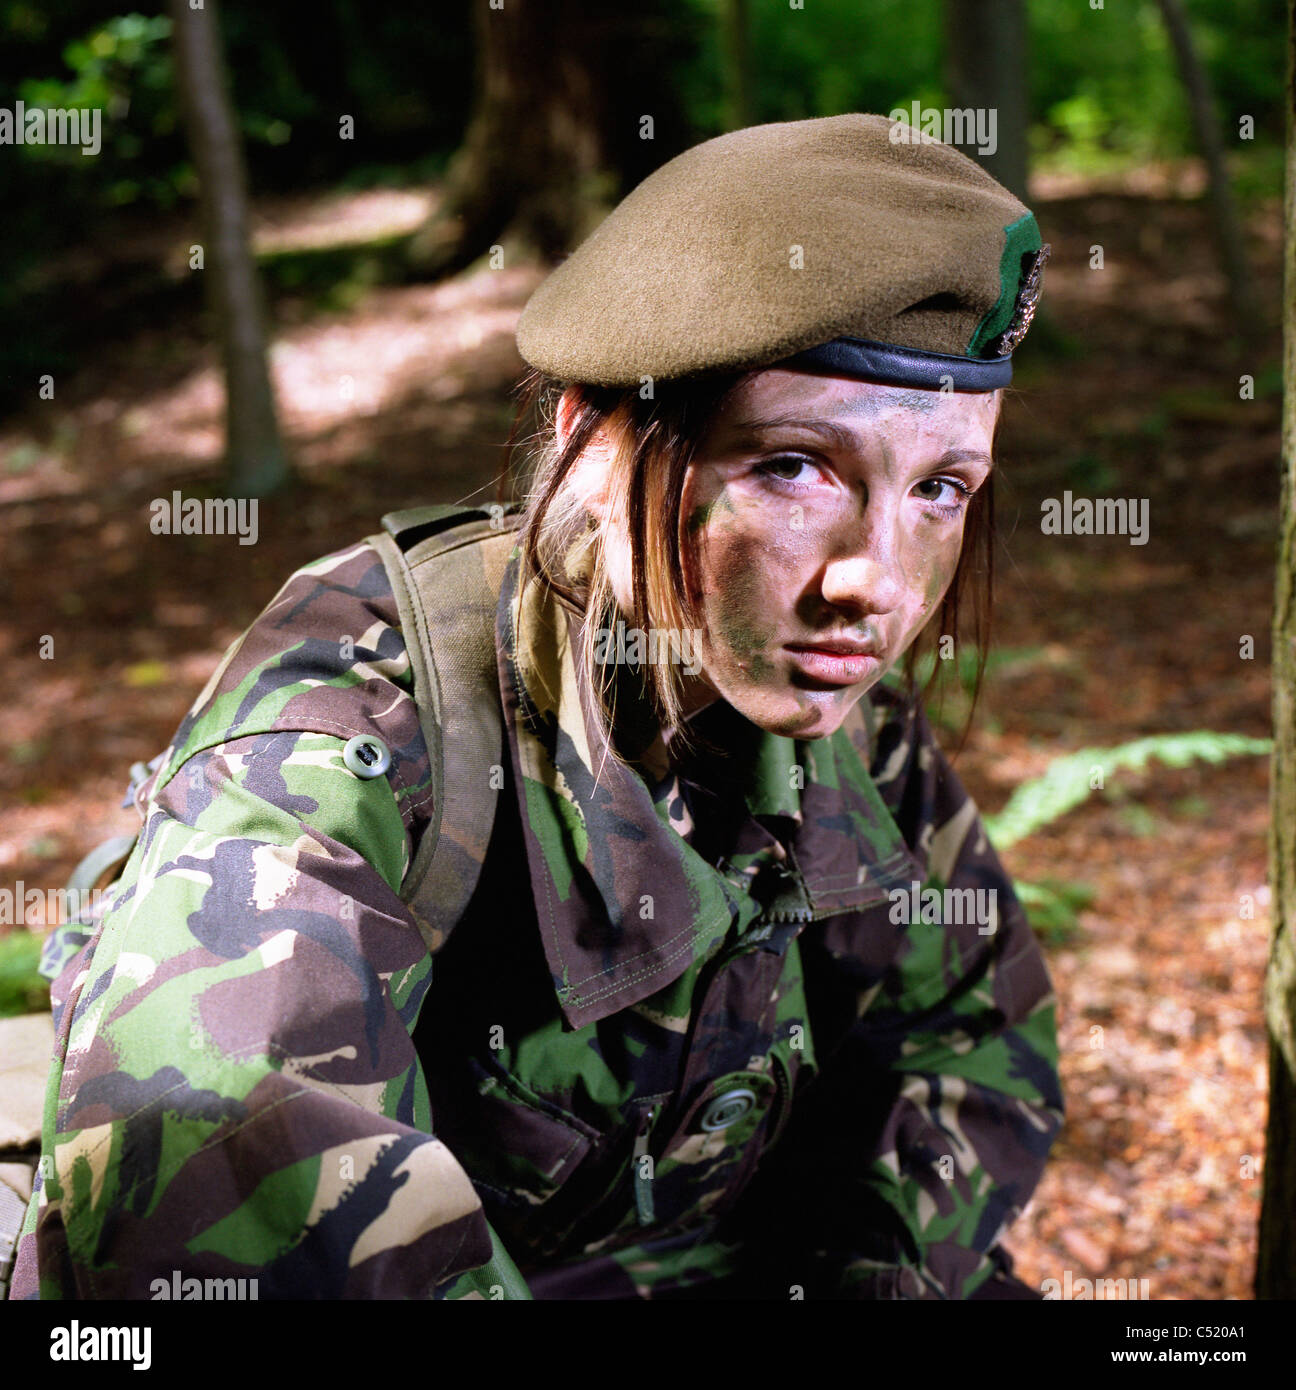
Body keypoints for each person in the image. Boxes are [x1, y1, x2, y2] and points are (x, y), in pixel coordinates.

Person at [10, 113, 1062, 1301]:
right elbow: (229, 1169)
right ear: (594, 442)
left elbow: (972, 1036)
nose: (873, 581)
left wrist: (876, 1273)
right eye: (794, 466)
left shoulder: (832, 711)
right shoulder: (357, 723)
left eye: (939, 488)